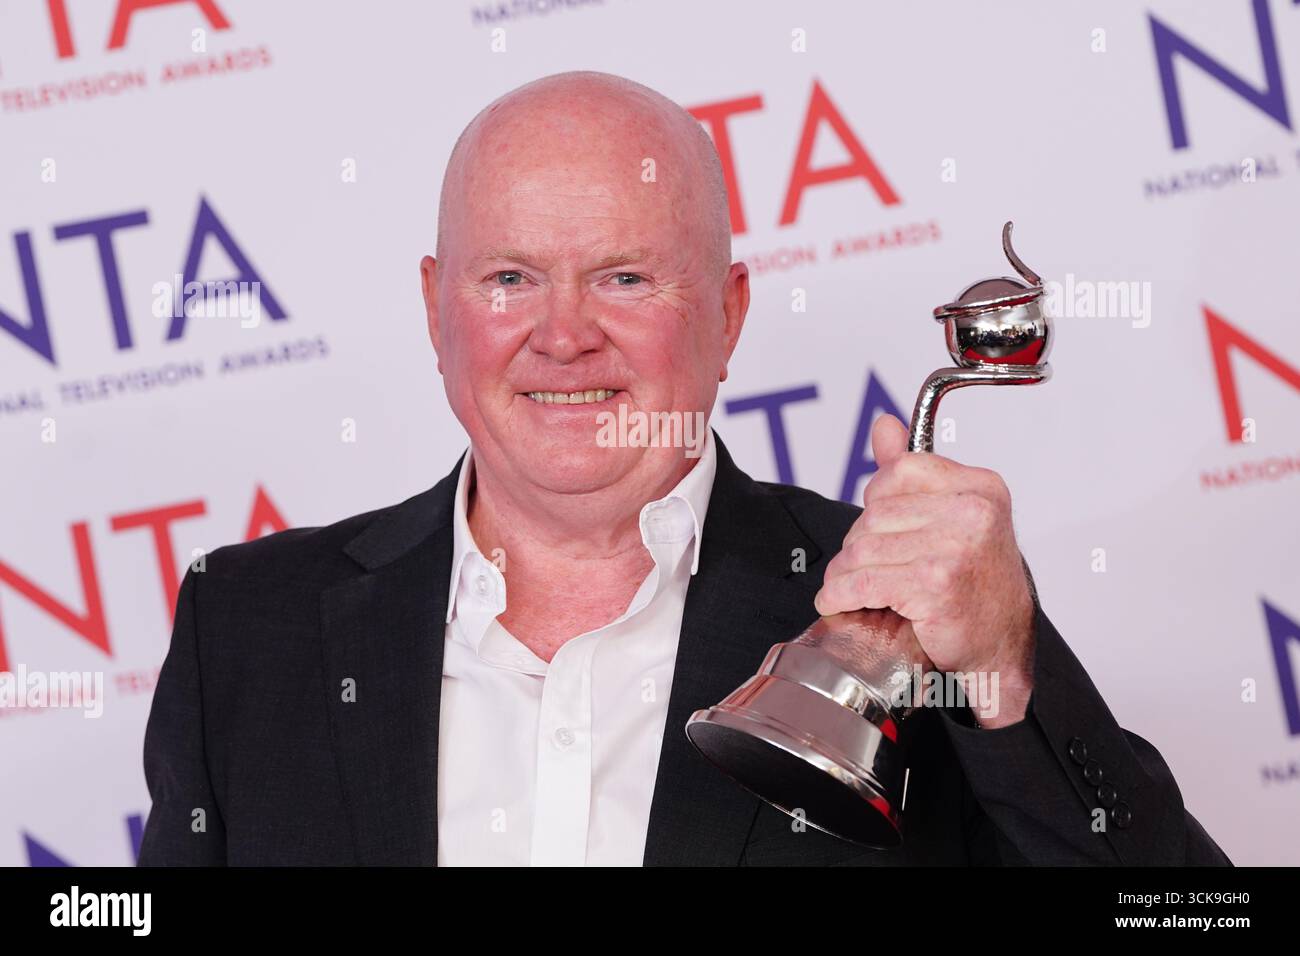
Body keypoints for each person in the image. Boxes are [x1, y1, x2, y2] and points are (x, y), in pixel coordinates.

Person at [137, 71, 1229, 866]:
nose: (563, 336)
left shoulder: (903, 615)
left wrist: (1004, 671)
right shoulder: (248, 629)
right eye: (510, 276)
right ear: (436, 310)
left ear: (726, 315)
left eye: (623, 276)